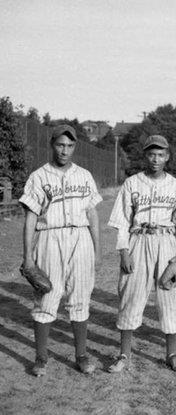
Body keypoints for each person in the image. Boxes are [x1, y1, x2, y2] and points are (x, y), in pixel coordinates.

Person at [107, 135, 176, 373]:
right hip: (138, 240)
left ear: (167, 157)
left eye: (160, 154)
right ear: (145, 156)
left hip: (166, 242)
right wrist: (123, 251)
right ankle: (124, 354)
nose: (155, 159)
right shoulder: (132, 183)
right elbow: (122, 221)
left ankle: (172, 354)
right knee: (130, 295)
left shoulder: (175, 185)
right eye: (151, 154)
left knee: (169, 299)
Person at [19, 124, 102, 376]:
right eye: (60, 145)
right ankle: (41, 357)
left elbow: (92, 214)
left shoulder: (84, 175)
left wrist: (98, 251)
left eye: (70, 146)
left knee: (80, 297)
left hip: (80, 236)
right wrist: (28, 257)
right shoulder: (38, 176)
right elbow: (31, 219)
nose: (65, 151)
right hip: (49, 236)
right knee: (46, 297)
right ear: (52, 144)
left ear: (74, 147)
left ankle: (81, 355)